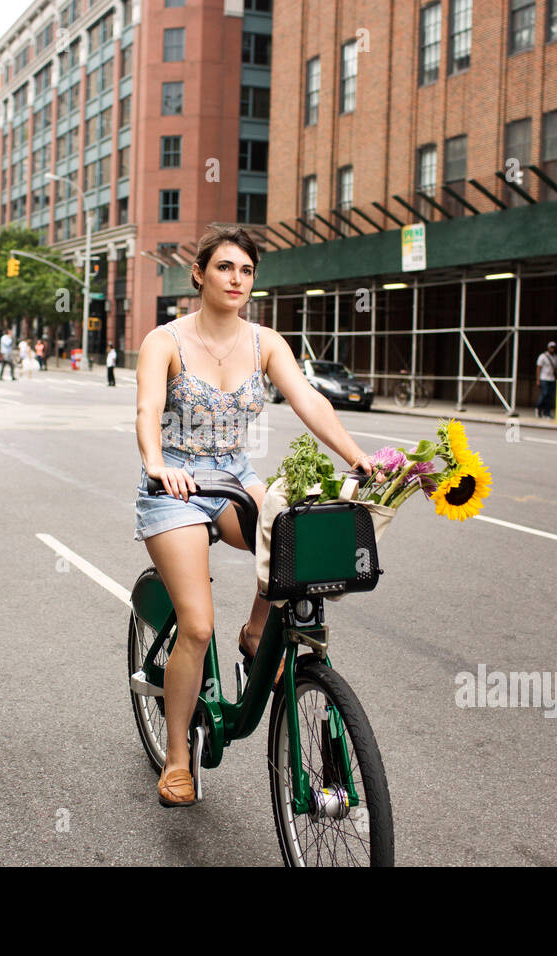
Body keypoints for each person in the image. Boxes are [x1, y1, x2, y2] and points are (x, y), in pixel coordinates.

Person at [134, 225, 375, 808]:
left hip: (235, 479)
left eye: (245, 270)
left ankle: (257, 631)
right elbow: (146, 409)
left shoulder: (266, 342)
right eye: (224, 268)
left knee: (292, 526)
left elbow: (309, 399)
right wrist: (157, 462)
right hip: (177, 485)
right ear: (200, 274)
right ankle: (175, 759)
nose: (236, 279)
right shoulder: (164, 341)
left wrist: (356, 456)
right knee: (195, 625)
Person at [536, 340, 557, 418]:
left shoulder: (555, 357)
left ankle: (547, 412)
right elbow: (538, 368)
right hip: (544, 378)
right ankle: (538, 408)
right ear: (548, 348)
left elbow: (556, 368)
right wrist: (538, 379)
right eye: (551, 347)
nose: (553, 349)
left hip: (552, 379)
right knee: (544, 394)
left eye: (554, 348)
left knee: (550, 396)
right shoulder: (542, 356)